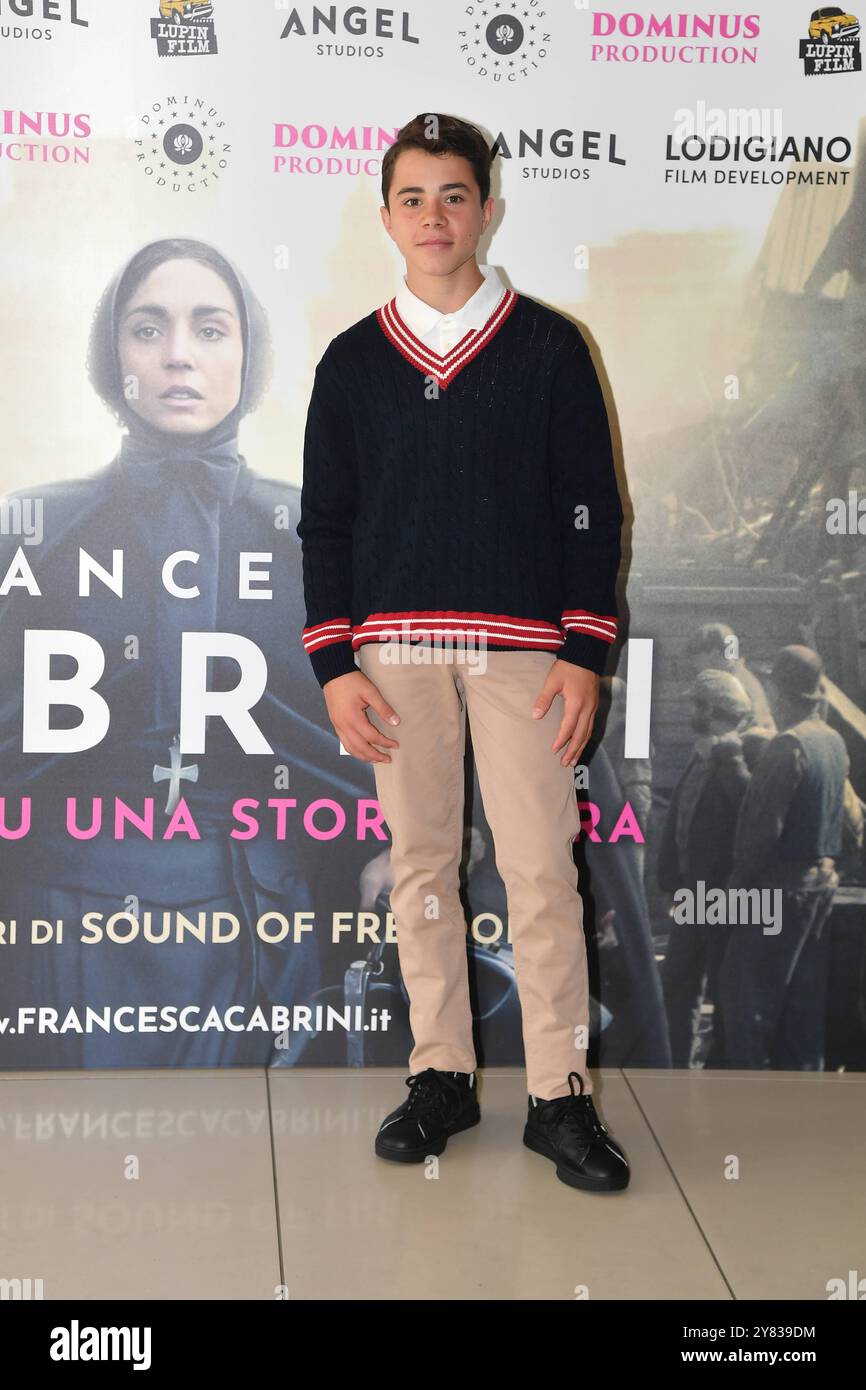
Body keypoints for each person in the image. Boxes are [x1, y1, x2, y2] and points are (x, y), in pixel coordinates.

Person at [296, 113, 630, 1193]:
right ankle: (440, 1071)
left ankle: (557, 1093)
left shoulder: (546, 345)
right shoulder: (352, 360)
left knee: (539, 869)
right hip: (394, 656)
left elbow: (591, 505)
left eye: (453, 194)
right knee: (422, 870)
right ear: (384, 214)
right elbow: (327, 525)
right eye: (411, 198)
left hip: (525, 654)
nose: (433, 217)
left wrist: (584, 648)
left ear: (489, 206)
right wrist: (333, 663)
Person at [0, 236, 372, 1068]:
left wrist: (392, 841)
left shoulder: (324, 536)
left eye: (210, 329)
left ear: (250, 354)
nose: (177, 356)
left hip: (266, 923)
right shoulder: (31, 531)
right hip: (68, 927)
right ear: (111, 352)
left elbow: (380, 736)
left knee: (253, 1178)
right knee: (80, 1174)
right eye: (147, 328)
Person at [718, 645, 861, 1069]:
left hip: (777, 892)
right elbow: (851, 824)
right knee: (802, 1004)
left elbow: (761, 832)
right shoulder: (833, 742)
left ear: (780, 692)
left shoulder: (788, 746)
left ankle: (748, 1099)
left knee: (743, 994)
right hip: (818, 888)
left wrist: (735, 891)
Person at [657, 670, 752, 1067]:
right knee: (677, 982)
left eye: (695, 703)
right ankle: (675, 1064)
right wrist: (669, 879)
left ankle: (720, 1072)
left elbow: (750, 812)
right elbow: (682, 817)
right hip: (692, 894)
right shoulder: (701, 753)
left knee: (723, 984)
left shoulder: (745, 750)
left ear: (712, 707)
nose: (689, 711)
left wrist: (729, 757)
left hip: (723, 895)